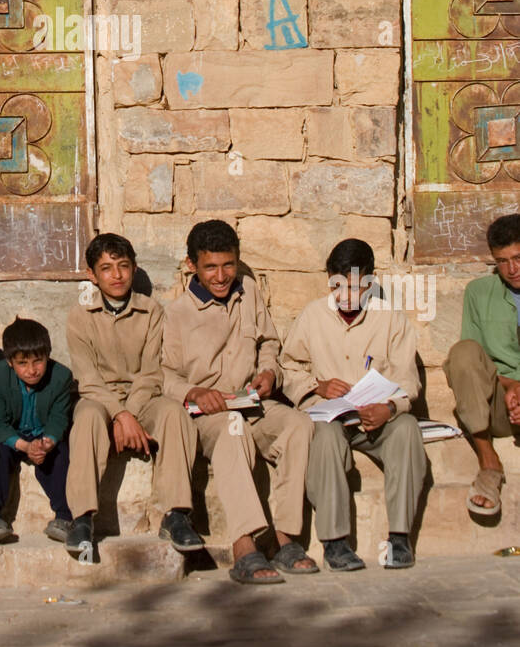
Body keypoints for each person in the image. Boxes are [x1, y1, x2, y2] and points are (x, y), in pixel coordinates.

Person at [162, 219, 316, 585]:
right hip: (210, 416)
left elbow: (268, 342)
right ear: (191, 266)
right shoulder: (176, 314)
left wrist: (268, 373)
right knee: (232, 431)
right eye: (210, 267)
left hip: (252, 405)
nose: (220, 276)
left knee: (299, 425)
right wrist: (195, 392)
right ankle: (244, 546)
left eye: (228, 265)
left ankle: (285, 539)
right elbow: (163, 375)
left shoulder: (248, 292)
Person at [280, 238, 426, 571]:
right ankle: (335, 542)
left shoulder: (391, 320)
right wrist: (318, 385)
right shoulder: (313, 316)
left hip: (376, 417)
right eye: (338, 287)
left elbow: (408, 383)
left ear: (370, 283)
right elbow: (288, 366)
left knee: (406, 430)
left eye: (356, 288)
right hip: (329, 416)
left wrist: (389, 409)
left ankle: (400, 538)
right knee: (326, 437)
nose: (347, 297)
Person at [65, 232, 202, 560]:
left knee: (173, 413)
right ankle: (82, 518)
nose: (117, 275)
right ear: (92, 275)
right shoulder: (79, 316)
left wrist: (132, 414)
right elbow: (88, 378)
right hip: (100, 398)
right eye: (107, 268)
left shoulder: (151, 311)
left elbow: (152, 371)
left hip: (143, 397)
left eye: (123, 266)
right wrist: (120, 415)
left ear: (134, 268)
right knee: (85, 419)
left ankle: (177, 514)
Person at [445, 213, 520, 518]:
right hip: (502, 405)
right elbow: (474, 362)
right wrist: (512, 387)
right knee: (461, 352)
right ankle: (488, 462)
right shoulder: (479, 292)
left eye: (518, 258)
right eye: (502, 261)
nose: (512, 269)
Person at [0, 318, 74, 545]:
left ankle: (64, 516)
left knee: (61, 456)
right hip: (12, 435)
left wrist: (47, 442)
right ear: (10, 362)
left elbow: (59, 417)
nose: (32, 370)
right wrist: (22, 445)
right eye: (23, 363)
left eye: (38, 361)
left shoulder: (61, 377)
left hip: (43, 436)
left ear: (48, 356)